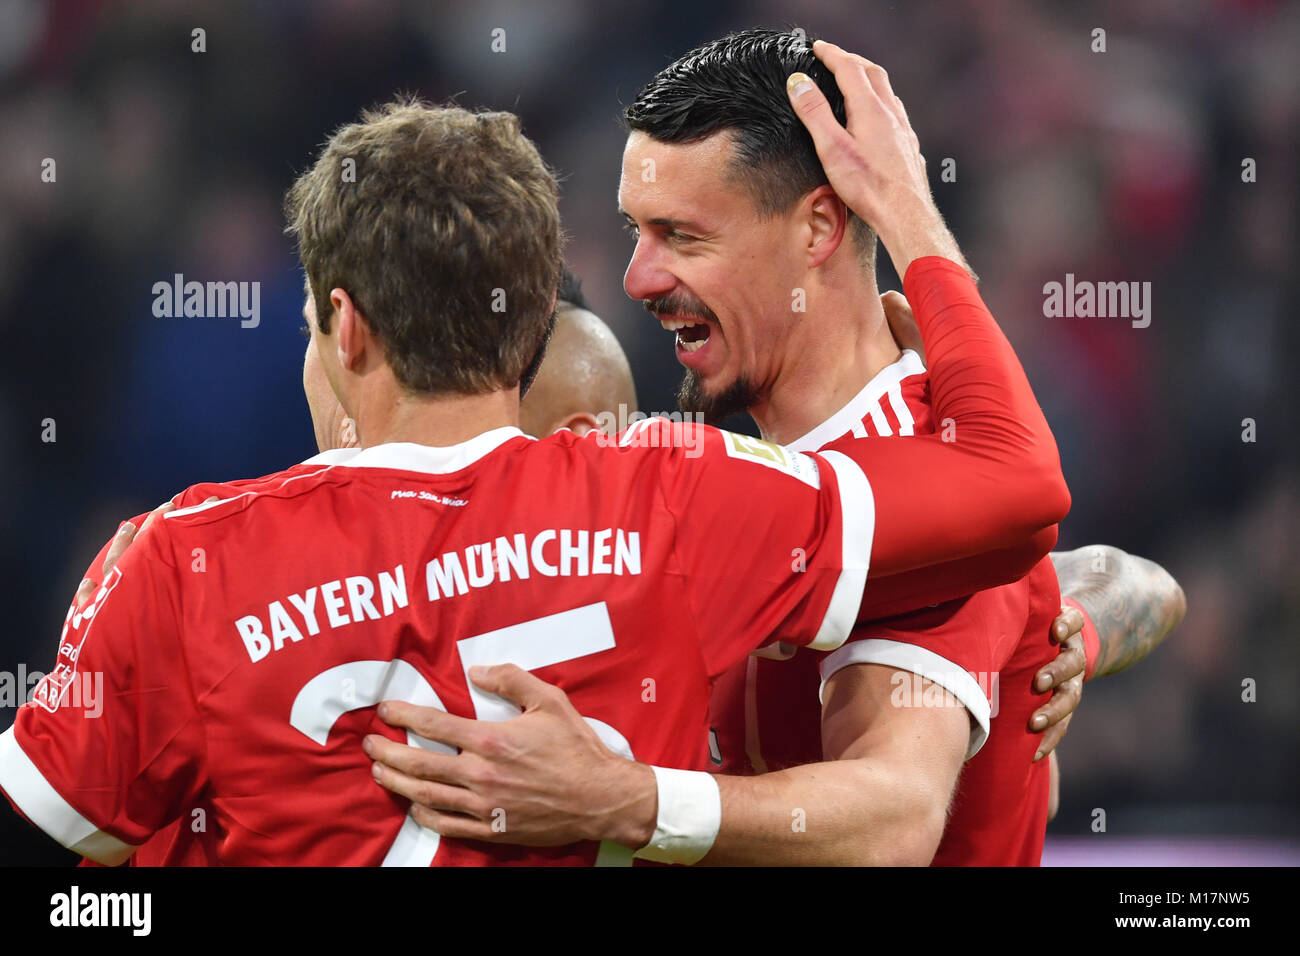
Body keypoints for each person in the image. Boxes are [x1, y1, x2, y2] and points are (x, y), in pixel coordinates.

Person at [0, 96, 1069, 866]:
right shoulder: (674, 499)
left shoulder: (184, 559)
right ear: (529, 341)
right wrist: (917, 233)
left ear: (345, 325)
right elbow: (1017, 485)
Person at [361, 32, 1169, 865]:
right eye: (636, 231)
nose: (638, 278)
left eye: (682, 235)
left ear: (818, 227)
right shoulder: (748, 478)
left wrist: (623, 798)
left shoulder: (915, 477)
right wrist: (1068, 625)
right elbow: (1117, 582)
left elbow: (896, 819)